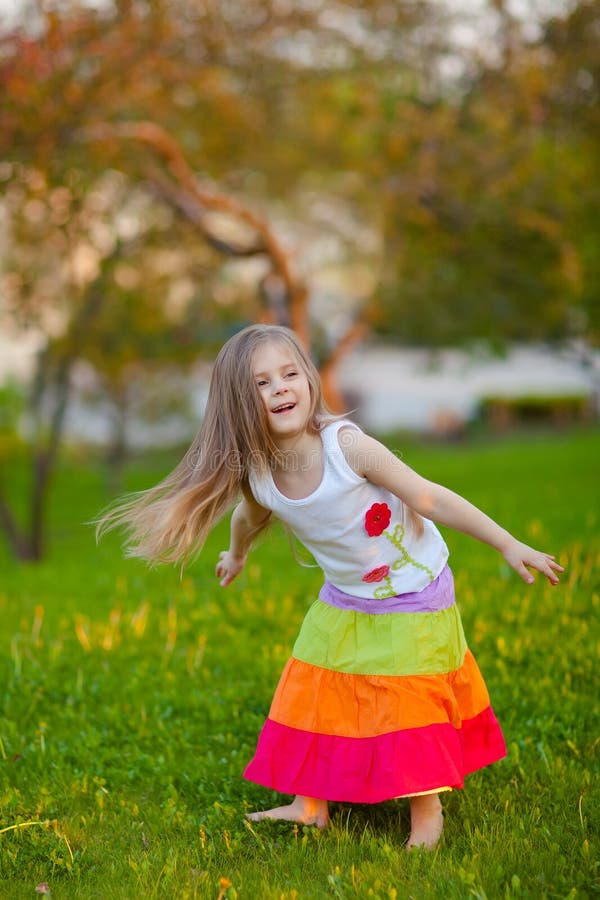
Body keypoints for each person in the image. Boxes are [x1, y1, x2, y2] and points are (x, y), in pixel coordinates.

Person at [97, 324, 564, 850]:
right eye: (261, 383)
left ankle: (426, 813)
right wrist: (236, 555)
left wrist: (507, 544)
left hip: (414, 592)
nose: (279, 388)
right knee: (310, 692)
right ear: (237, 403)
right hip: (346, 597)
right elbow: (246, 519)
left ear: (310, 380)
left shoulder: (347, 447)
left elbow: (430, 499)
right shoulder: (260, 473)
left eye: (290, 373)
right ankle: (309, 805)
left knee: (410, 702)